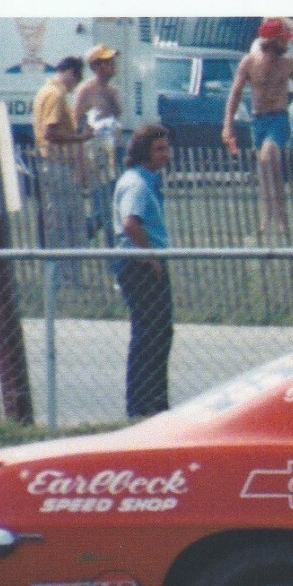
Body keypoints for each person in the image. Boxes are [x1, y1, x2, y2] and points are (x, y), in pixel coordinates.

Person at [222, 18, 293, 237]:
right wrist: (227, 126)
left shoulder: (289, 64)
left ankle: (281, 219)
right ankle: (268, 215)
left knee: (268, 157)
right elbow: (234, 95)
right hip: (259, 120)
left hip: (279, 119)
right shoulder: (248, 62)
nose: (287, 43)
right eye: (282, 40)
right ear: (272, 41)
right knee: (265, 170)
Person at [112, 124, 174, 417]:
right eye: (159, 149)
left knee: (160, 332)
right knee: (148, 333)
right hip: (139, 264)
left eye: (166, 148)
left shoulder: (148, 180)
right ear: (143, 152)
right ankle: (141, 405)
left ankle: (156, 401)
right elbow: (130, 224)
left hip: (147, 260)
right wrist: (150, 257)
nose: (166, 154)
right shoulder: (136, 183)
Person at [32, 56, 89, 284]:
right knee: (67, 221)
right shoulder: (56, 95)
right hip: (57, 164)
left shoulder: (45, 91)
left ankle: (63, 274)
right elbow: (50, 132)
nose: (76, 83)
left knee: (61, 219)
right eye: (78, 77)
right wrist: (80, 137)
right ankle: (66, 275)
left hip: (51, 164)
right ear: (71, 73)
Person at [74, 45, 123, 245]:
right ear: (96, 66)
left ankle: (112, 249)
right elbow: (77, 125)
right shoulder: (85, 91)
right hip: (95, 155)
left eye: (112, 62)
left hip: (112, 152)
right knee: (102, 207)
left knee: (113, 205)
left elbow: (117, 117)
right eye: (107, 62)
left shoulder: (113, 91)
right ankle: (81, 235)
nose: (113, 66)